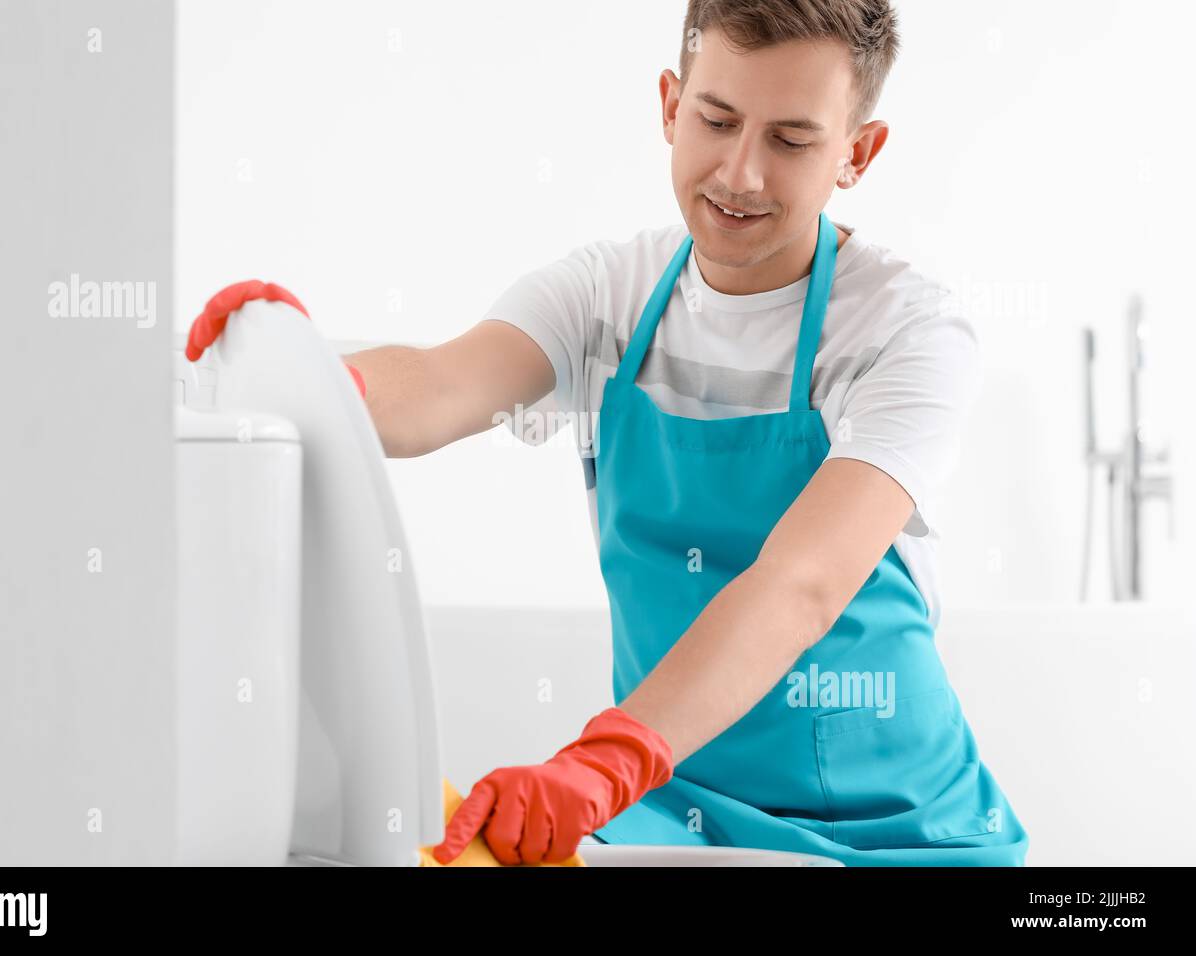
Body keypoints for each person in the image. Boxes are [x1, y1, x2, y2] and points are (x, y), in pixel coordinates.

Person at [347, 0, 1029, 866]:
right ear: (670, 105)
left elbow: (801, 582)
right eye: (716, 120)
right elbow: (440, 387)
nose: (740, 173)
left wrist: (603, 760)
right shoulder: (606, 294)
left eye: (790, 140)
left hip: (894, 832)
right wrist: (304, 375)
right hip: (668, 811)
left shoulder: (907, 329)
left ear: (857, 153)